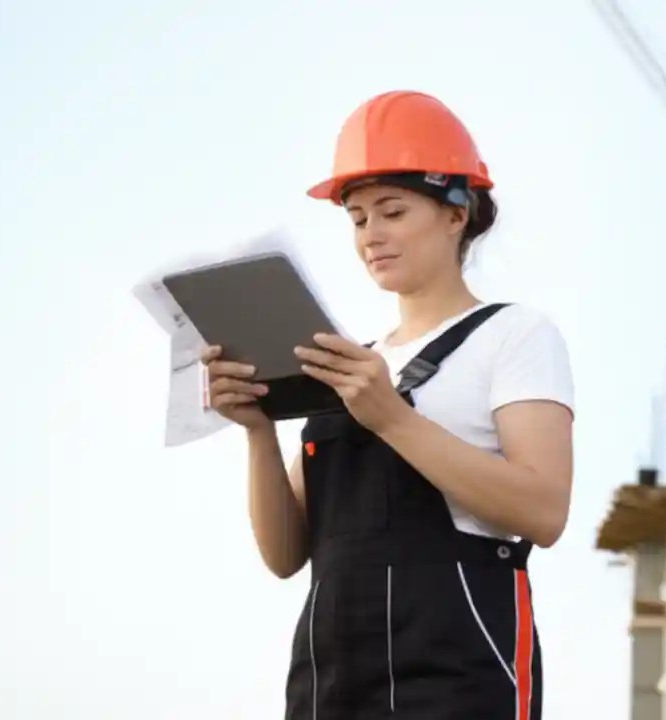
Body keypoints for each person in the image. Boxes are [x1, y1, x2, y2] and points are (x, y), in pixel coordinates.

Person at [200, 90, 574, 719]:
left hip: (458, 676)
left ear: (457, 213)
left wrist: (393, 418)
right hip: (330, 680)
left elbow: (543, 511)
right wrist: (258, 433)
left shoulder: (515, 334)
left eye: (392, 211)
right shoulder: (347, 365)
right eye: (357, 218)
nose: (371, 234)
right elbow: (287, 556)